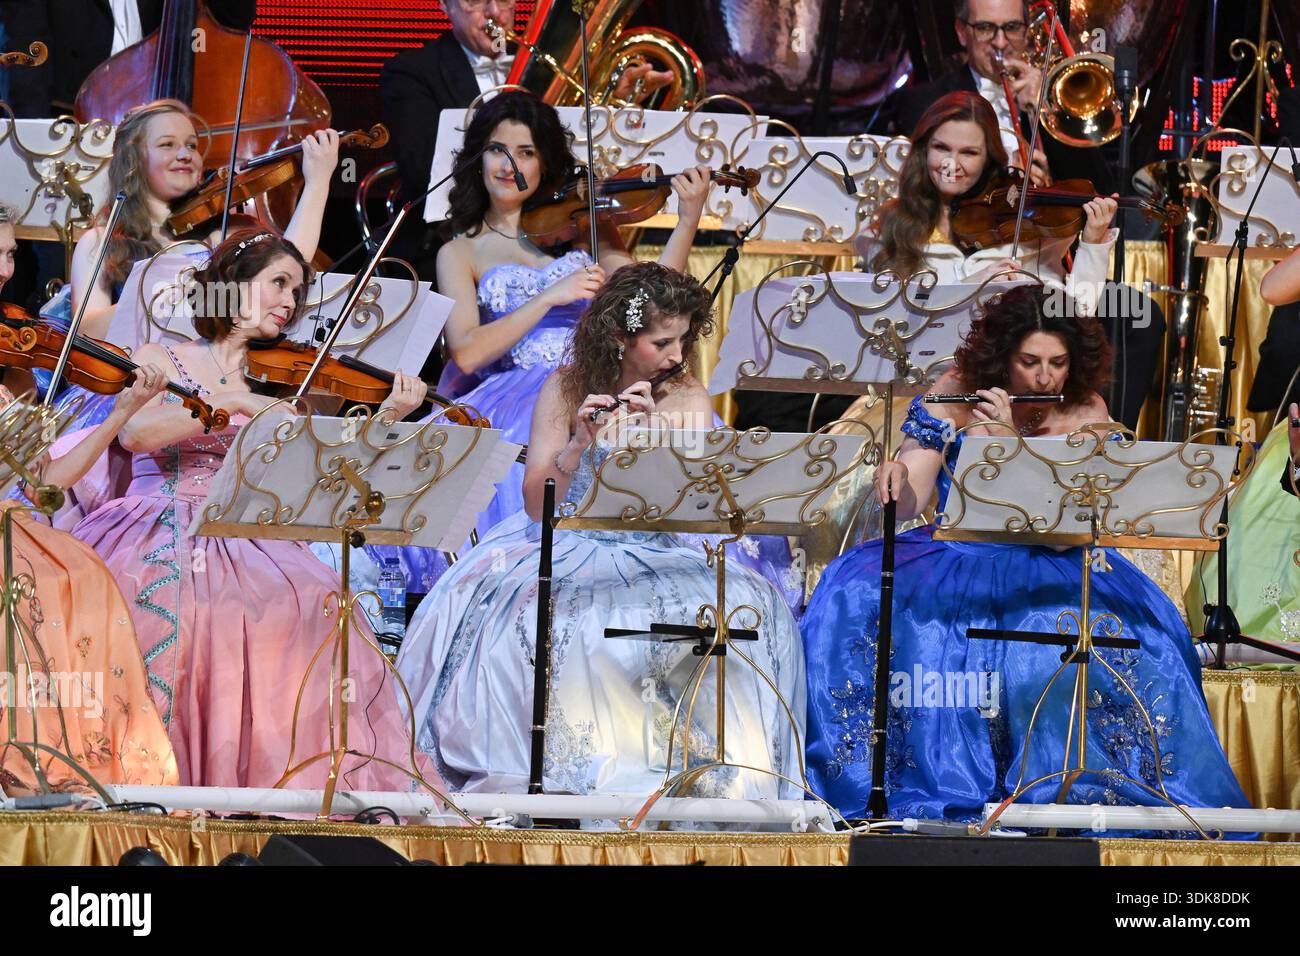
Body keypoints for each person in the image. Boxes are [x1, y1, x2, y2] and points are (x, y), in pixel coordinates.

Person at [801, 283, 1250, 823]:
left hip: (1049, 554)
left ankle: (1068, 783)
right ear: (999, 356)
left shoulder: (1086, 408)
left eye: (1057, 363)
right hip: (954, 551)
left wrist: (1007, 442)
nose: (1044, 378)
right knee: (855, 592)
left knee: (1099, 629)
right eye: (1029, 361)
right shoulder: (953, 391)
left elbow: (1066, 531)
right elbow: (913, 501)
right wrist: (895, 480)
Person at [396, 262, 806, 797]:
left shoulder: (685, 396)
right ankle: (565, 772)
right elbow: (539, 504)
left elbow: (694, 506)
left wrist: (656, 439)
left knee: (741, 609)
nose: (677, 356)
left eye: (683, 340)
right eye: (662, 342)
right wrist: (580, 444)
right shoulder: (566, 389)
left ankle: (691, 772)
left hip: (660, 544)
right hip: (568, 538)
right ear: (619, 338)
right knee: (546, 613)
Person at [69, 229, 432, 789]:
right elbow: (138, 433)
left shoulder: (289, 380)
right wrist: (231, 402)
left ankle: (276, 784)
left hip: (246, 526)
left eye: (298, 290)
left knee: (317, 601)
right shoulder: (160, 355)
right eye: (279, 283)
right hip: (155, 517)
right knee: (176, 611)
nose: (291, 301)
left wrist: (384, 417)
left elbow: (322, 474)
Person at [429, 90, 711, 537]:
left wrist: (688, 219)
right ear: (477, 158)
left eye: (526, 153)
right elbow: (464, 353)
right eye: (497, 150)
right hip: (516, 391)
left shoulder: (586, 228)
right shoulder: (459, 251)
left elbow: (651, 303)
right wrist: (547, 298)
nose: (509, 166)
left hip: (594, 376)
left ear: (545, 163)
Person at [0, 207, 178, 790]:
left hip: (9, 520)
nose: (7, 271)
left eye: (9, 255)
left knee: (80, 572)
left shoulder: (14, 360)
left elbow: (45, 482)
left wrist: (120, 415)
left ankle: (57, 765)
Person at [378, 0, 673, 281]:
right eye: (475, 2)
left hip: (552, 233)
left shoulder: (551, 64)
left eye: (505, 1)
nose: (494, 12)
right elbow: (422, 170)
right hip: (449, 238)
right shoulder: (411, 72)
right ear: (445, 5)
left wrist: (608, 104)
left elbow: (570, 160)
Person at [889, 0, 1113, 192]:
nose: (1000, 42)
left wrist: (1050, 110)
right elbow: (924, 188)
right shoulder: (923, 101)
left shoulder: (1052, 100)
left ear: (1026, 32)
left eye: (1012, 27)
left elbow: (1099, 189)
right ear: (961, 32)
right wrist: (1004, 174)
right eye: (985, 28)